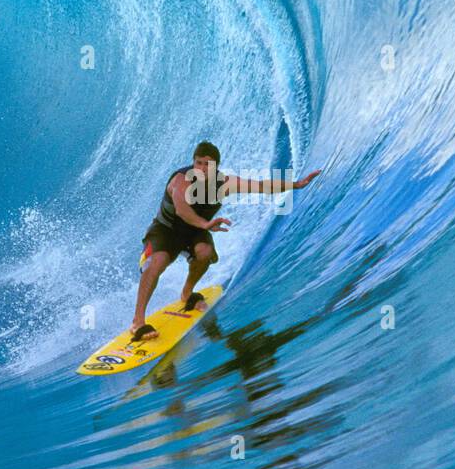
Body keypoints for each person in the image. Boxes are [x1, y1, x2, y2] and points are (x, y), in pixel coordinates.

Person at [129, 141, 321, 341]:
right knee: (156, 263)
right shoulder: (180, 181)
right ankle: (138, 321)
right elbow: (181, 209)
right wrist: (204, 224)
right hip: (165, 231)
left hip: (194, 231)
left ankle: (187, 292)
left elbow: (261, 186)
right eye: (198, 163)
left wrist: (296, 185)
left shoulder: (224, 184)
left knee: (204, 253)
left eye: (208, 164)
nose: (202, 169)